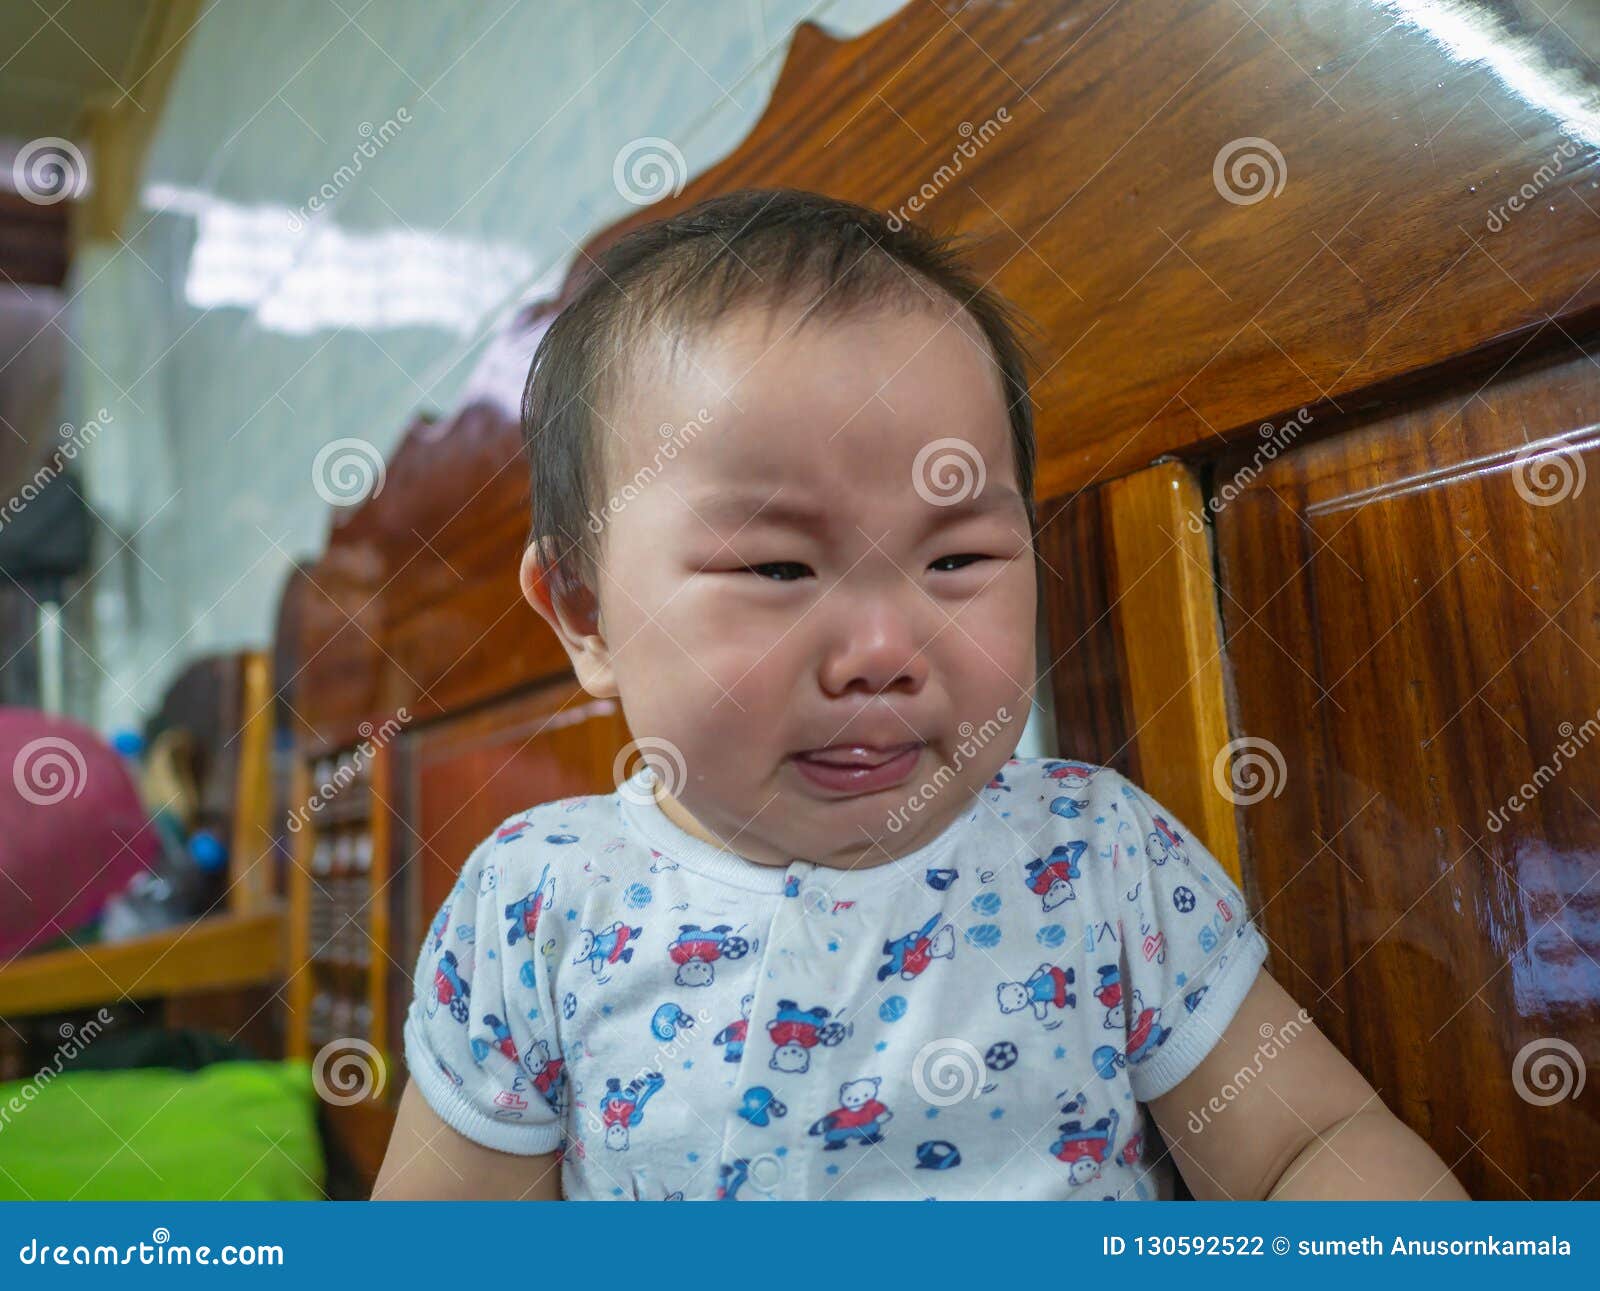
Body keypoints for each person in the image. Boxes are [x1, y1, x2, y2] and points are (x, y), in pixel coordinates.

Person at [374, 188, 1466, 1202]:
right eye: (777, 570)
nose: (884, 650)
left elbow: (1302, 1145)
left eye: (955, 561)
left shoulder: (1095, 860)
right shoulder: (539, 908)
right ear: (580, 610)